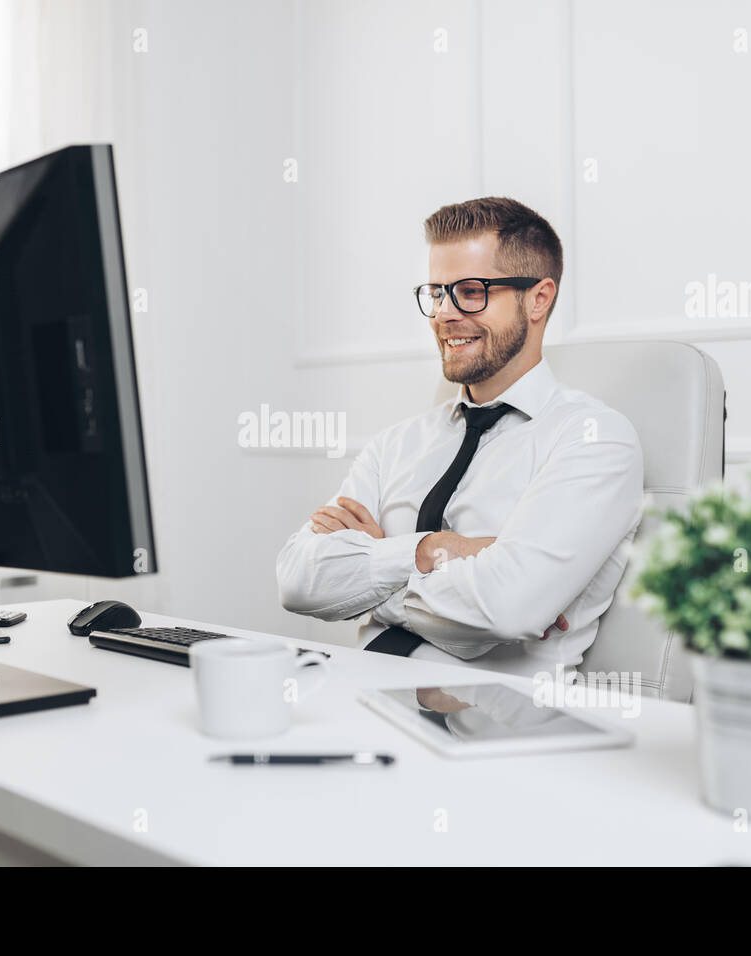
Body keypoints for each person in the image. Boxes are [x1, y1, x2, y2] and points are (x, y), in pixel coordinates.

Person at [276, 197, 644, 683]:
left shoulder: (593, 440)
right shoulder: (396, 444)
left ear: (538, 298)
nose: (444, 314)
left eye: (471, 292)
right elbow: (300, 580)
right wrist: (434, 550)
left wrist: (373, 569)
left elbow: (509, 607)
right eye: (437, 292)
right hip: (357, 693)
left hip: (493, 727)